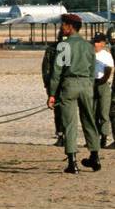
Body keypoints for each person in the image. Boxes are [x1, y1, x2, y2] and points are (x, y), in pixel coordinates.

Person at [47, 13, 100, 174]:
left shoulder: (64, 45)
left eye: (63, 25)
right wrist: (89, 84)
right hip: (86, 85)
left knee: (69, 123)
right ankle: (94, 155)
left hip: (69, 84)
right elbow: (92, 69)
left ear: (70, 26)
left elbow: (57, 72)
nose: (61, 27)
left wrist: (51, 94)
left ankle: (72, 162)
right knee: (89, 120)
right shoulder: (88, 46)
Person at [41, 27, 66, 146]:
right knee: (59, 112)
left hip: (66, 85)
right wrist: (48, 85)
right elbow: (46, 69)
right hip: (57, 85)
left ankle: (64, 136)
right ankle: (61, 135)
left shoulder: (72, 48)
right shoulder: (51, 49)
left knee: (64, 112)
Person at [93, 32, 113, 149]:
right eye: (94, 41)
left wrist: (102, 81)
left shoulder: (106, 55)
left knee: (103, 112)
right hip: (92, 83)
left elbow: (108, 70)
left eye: (97, 41)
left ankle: (104, 137)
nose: (95, 44)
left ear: (103, 43)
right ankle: (94, 137)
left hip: (102, 83)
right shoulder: (89, 54)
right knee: (93, 112)